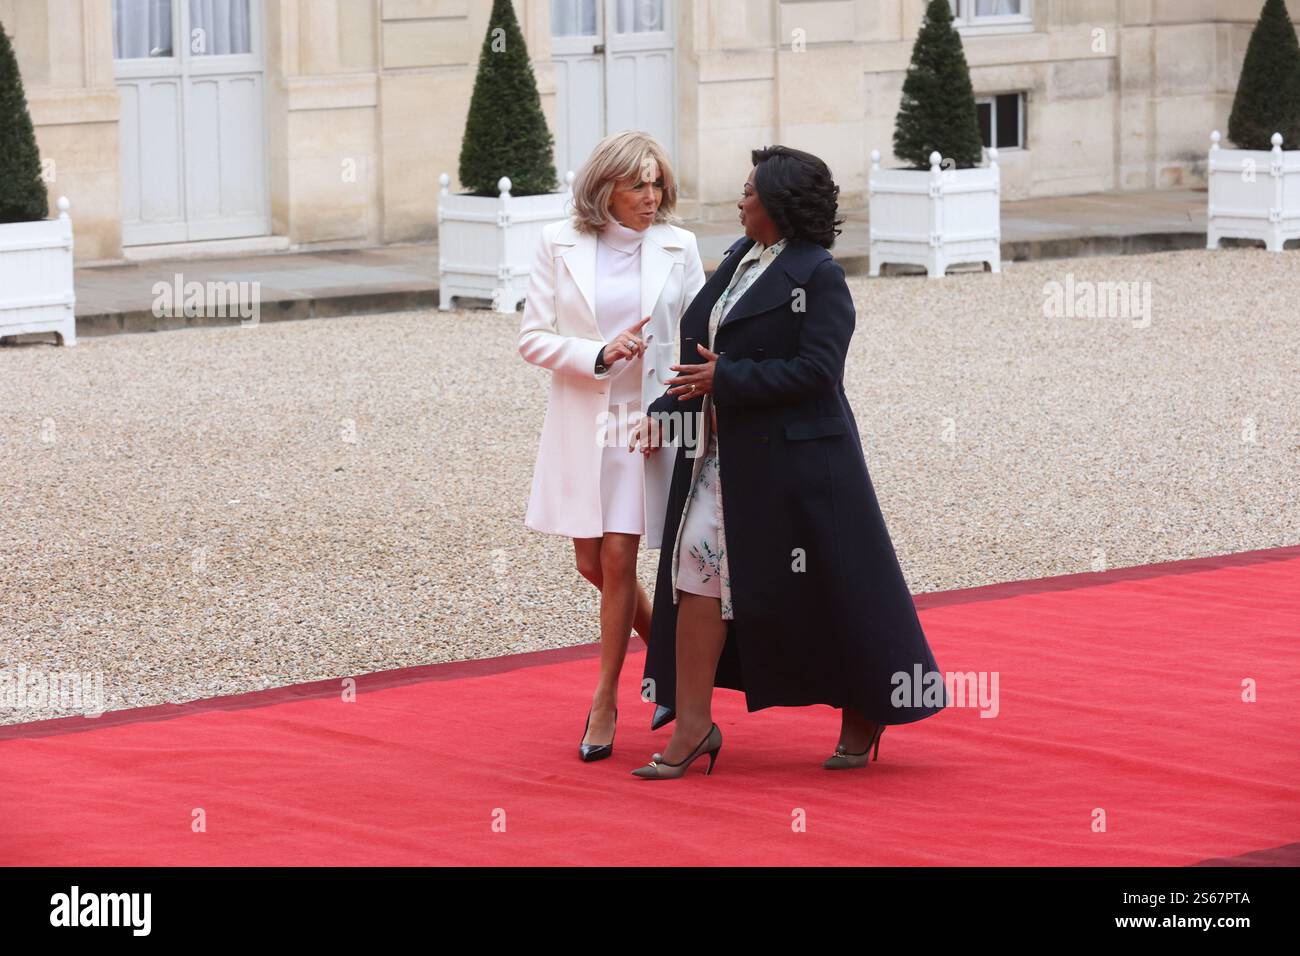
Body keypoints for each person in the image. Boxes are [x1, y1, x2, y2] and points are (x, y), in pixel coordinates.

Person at [629, 145, 947, 779]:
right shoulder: (740, 258)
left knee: (834, 591)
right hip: (721, 461)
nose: (740, 200)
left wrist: (729, 378)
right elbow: (704, 352)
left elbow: (819, 372)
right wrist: (667, 406)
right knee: (694, 573)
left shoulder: (819, 274)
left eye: (749, 191)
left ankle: (866, 705)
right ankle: (693, 725)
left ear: (775, 203)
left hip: (803, 470)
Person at [517, 131, 706, 762]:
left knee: (621, 560)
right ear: (606, 191)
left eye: (657, 184)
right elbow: (533, 338)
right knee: (591, 564)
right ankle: (676, 667)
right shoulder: (557, 243)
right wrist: (597, 353)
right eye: (637, 186)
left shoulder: (680, 247)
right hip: (580, 420)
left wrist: (676, 410)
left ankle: (605, 700)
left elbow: (702, 337)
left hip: (646, 424)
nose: (652, 197)